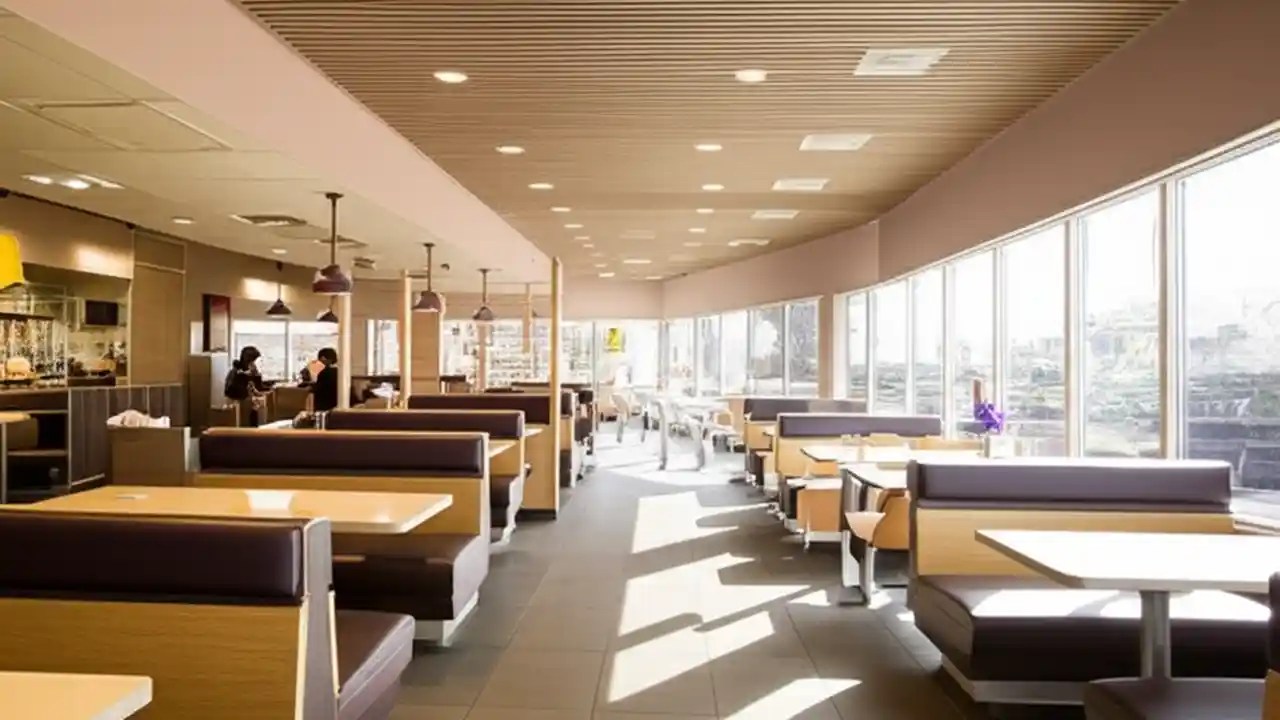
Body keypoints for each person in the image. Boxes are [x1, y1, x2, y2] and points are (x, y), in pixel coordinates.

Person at [224, 346, 268, 426]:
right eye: (254, 361)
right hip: (237, 404)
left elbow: (258, 387)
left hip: (244, 402)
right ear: (249, 361)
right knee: (256, 406)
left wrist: (256, 375)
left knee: (258, 404)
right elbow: (231, 391)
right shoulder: (237, 373)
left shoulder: (247, 372)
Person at [310, 347, 339, 413]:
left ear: (323, 358)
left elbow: (319, 388)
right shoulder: (339, 371)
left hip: (326, 405)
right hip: (336, 403)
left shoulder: (325, 372)